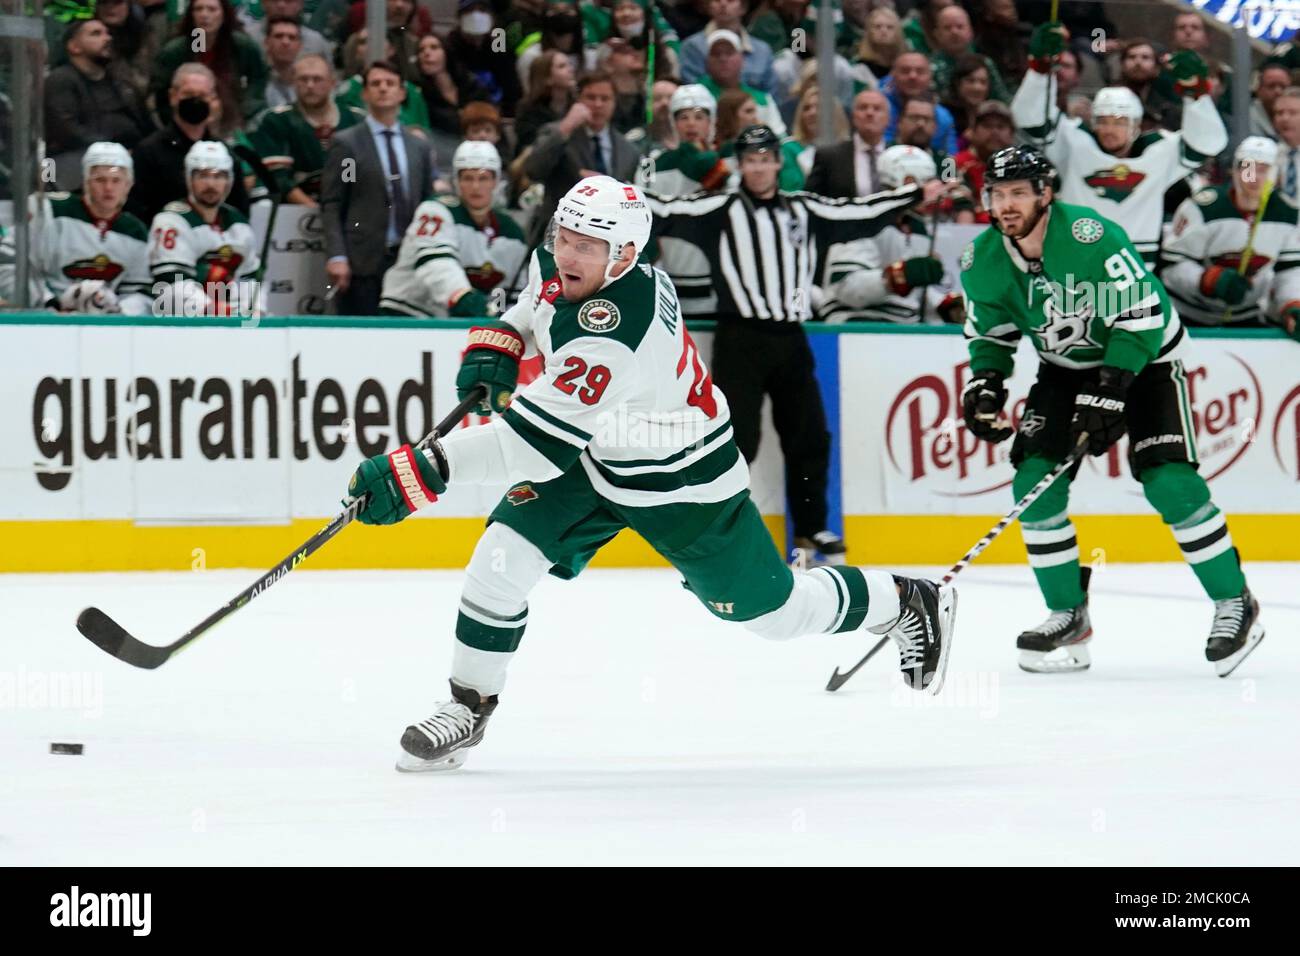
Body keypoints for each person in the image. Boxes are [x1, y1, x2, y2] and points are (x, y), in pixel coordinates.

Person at [343, 174, 959, 770]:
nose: (567, 254)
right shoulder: (570, 264)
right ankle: (467, 706)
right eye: (563, 236)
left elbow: (532, 445)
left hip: (679, 480)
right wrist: (502, 339)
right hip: (595, 452)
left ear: (625, 256)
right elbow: (535, 303)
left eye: (586, 246)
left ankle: (905, 600)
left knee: (775, 614)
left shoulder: (617, 334)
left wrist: (424, 470)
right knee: (499, 562)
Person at [960, 145, 1264, 677]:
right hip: (1065, 370)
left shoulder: (1090, 236)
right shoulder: (980, 259)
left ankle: (1234, 601)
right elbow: (991, 331)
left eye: (1018, 193)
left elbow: (1143, 311)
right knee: (1034, 482)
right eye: (998, 194)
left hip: (1146, 360)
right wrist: (985, 382)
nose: (1006, 205)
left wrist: (1112, 386)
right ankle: (1068, 614)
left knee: (1169, 482)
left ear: (1045, 194)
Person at [647, 125, 945, 566]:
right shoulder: (719, 208)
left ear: (777, 163)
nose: (759, 168)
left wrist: (913, 195)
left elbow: (858, 213)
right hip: (740, 338)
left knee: (809, 437)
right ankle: (722, 528)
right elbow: (664, 210)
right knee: (736, 440)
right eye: (751, 161)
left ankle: (811, 527)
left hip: (790, 337)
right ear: (740, 165)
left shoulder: (803, 209)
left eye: (766, 159)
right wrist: (612, 195)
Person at [1013, 21, 1227, 270]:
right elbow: (1029, 119)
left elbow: (1209, 143)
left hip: (1134, 271)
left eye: (1119, 122)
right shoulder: (1073, 143)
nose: (1109, 129)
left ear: (1136, 125)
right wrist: (1039, 70)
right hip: (1074, 263)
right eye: (1103, 121)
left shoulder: (1159, 151)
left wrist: (1196, 93)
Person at [321, 60, 437, 316]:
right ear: (364, 93)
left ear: (402, 92)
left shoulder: (418, 146)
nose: (383, 88)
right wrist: (337, 256)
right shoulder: (347, 143)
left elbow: (428, 202)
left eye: (390, 83)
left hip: (408, 260)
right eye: (375, 84)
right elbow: (332, 204)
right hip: (361, 263)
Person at [1161, 136, 1300, 329]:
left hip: (1246, 316)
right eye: (1247, 167)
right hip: (1187, 314)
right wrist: (1208, 280)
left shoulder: (1289, 213)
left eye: (1263, 169)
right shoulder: (1203, 207)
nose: (1253, 177)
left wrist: (1292, 304)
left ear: (1275, 173)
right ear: (1234, 170)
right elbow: (1171, 266)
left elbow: (1289, 271)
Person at [0, 142, 152, 315]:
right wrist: (48, 303)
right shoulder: (48, 210)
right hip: (44, 319)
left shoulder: (135, 230)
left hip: (106, 325)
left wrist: (117, 312)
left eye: (116, 180)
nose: (109, 188)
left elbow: (139, 291)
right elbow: (7, 262)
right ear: (86, 182)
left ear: (128, 185)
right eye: (100, 180)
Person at [379, 141, 528, 317]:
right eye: (468, 178)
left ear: (495, 182)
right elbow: (437, 266)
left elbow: (511, 291)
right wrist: (465, 300)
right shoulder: (435, 211)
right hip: (409, 312)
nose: (475, 186)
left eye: (483, 178)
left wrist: (503, 316)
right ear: (456, 182)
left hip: (459, 319)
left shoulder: (512, 232)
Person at [818, 145, 962, 325]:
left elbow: (912, 296)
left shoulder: (916, 228)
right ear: (908, 181)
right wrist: (898, 277)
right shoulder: (860, 220)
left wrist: (946, 305)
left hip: (904, 326)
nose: (935, 193)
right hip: (855, 323)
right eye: (927, 182)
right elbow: (846, 288)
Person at [636, 84, 728, 316]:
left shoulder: (727, 162)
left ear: (711, 120)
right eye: (683, 117)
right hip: (669, 260)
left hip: (716, 266)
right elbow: (640, 210)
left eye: (699, 117)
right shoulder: (653, 163)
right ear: (673, 122)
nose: (691, 124)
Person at [522, 71, 640, 246]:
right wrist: (567, 126)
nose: (598, 104)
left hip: (607, 241)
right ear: (578, 100)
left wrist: (606, 186)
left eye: (605, 98)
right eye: (591, 97)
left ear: (614, 103)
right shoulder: (558, 133)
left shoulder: (628, 150)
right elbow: (533, 170)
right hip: (560, 236)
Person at [127, 63, 253, 224]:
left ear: (212, 99)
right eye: (189, 94)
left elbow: (239, 210)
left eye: (202, 96)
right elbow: (137, 211)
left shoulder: (225, 154)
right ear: (173, 96)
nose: (195, 101)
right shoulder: (148, 152)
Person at [148, 140, 260, 316]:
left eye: (219, 176)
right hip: (182, 324)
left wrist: (253, 311)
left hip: (230, 319)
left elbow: (250, 280)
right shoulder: (171, 221)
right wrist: (216, 310)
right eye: (203, 176)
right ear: (189, 179)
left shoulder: (238, 222)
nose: (211, 184)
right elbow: (171, 287)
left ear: (229, 181)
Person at [45, 18, 154, 190]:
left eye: (108, 33)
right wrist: (112, 152)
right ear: (74, 47)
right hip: (83, 161)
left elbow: (145, 122)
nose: (108, 38)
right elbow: (66, 130)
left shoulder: (120, 80)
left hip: (132, 157)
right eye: (96, 34)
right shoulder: (61, 80)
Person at [245, 54, 364, 205]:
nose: (310, 85)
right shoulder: (276, 120)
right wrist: (314, 210)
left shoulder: (356, 119)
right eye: (303, 79)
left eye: (317, 79)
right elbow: (279, 178)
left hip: (350, 207)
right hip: (293, 210)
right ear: (293, 82)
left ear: (332, 83)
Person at [152, 0, 269, 130]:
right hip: (188, 120)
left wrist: (247, 108)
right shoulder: (176, 50)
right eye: (198, 9)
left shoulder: (241, 45)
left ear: (224, 14)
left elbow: (258, 77)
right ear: (191, 14)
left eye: (212, 9)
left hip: (234, 119)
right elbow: (160, 91)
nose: (204, 15)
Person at [698, 30, 786, 137]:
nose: (723, 59)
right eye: (716, 54)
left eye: (729, 53)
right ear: (707, 60)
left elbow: (780, 136)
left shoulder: (762, 100)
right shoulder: (696, 97)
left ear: (742, 59)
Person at [804, 89, 889, 198]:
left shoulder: (901, 153)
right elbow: (810, 199)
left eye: (877, 108)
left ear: (888, 118)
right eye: (863, 108)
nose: (869, 113)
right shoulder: (829, 157)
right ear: (853, 116)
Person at [678, 0, 775, 91]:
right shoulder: (692, 47)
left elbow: (771, 95)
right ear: (709, 6)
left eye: (730, 0)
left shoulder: (762, 50)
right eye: (717, 0)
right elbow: (692, 91)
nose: (723, 4)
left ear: (743, 7)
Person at [881, 52, 959, 154]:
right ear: (893, 75)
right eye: (905, 71)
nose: (913, 76)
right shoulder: (878, 108)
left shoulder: (943, 117)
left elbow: (950, 158)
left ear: (930, 77)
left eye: (920, 71)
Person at [953, 100, 1016, 223]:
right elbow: (946, 200)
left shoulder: (1022, 168)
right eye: (987, 126)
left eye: (1001, 126)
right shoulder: (951, 162)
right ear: (972, 131)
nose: (994, 132)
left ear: (1012, 134)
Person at [262, 16, 303, 109]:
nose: (285, 42)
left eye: (292, 37)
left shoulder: (308, 81)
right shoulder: (255, 79)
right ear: (266, 43)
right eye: (279, 36)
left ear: (300, 45)